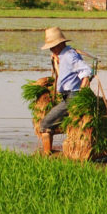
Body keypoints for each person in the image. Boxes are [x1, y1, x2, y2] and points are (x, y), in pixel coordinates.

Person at [38, 26, 92, 155]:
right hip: (67, 95)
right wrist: (58, 60)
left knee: (45, 124)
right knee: (53, 122)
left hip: (72, 97)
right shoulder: (64, 55)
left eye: (53, 46)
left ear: (60, 44)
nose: (51, 49)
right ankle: (50, 151)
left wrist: (81, 94)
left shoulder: (69, 56)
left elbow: (86, 71)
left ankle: (47, 155)